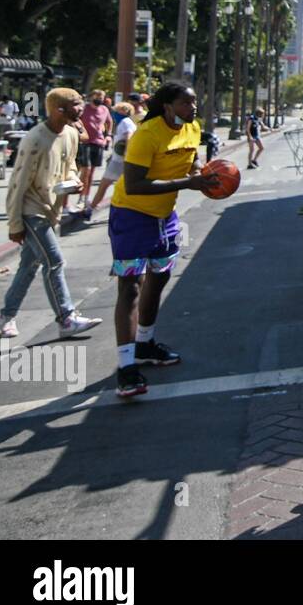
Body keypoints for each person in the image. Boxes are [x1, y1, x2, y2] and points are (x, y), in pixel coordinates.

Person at [108, 82, 220, 398]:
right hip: (131, 215)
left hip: (164, 217)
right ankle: (126, 368)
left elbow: (193, 162)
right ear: (168, 106)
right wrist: (189, 182)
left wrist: (205, 176)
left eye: (195, 102)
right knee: (131, 286)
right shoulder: (147, 134)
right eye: (185, 103)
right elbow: (133, 185)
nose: (193, 108)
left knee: (160, 277)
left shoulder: (192, 127)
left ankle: (145, 343)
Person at [0, 88, 103, 339]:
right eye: (76, 105)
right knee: (54, 261)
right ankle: (66, 318)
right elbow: (17, 184)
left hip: (51, 207)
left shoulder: (70, 134)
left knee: (29, 266)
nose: (81, 109)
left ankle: (6, 316)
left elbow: (69, 167)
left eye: (82, 103)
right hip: (31, 210)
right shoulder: (35, 139)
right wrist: (14, 224)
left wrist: (75, 181)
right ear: (58, 109)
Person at [86, 101, 138, 217]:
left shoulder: (125, 122)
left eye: (117, 110)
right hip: (119, 159)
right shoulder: (127, 122)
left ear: (124, 111)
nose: (115, 113)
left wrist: (126, 155)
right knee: (122, 187)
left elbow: (128, 137)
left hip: (119, 161)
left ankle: (90, 209)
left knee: (104, 184)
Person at [77, 89, 111, 216]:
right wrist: (79, 132)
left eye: (102, 96)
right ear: (91, 97)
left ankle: (86, 196)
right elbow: (75, 120)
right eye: (97, 96)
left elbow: (109, 122)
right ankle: (80, 196)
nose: (100, 98)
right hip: (85, 142)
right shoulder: (84, 108)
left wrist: (108, 135)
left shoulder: (104, 109)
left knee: (91, 172)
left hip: (98, 142)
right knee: (85, 169)